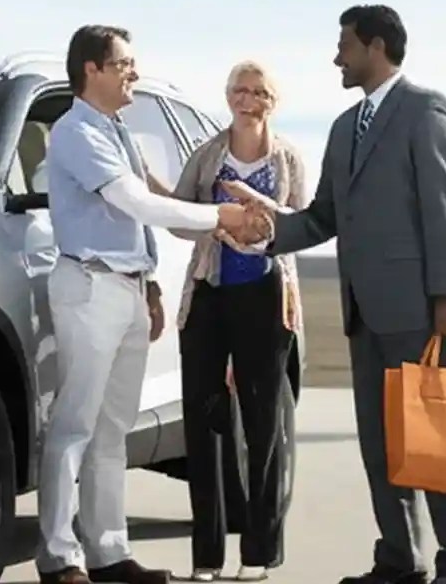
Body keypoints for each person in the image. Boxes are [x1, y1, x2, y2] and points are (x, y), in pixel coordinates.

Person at [227, 5, 446, 584]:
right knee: (381, 444)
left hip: (417, 307)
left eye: (345, 44)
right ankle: (399, 558)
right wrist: (268, 226)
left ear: (376, 46)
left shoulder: (426, 110)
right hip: (362, 311)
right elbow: (322, 218)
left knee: (437, 441)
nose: (337, 56)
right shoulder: (345, 129)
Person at [36, 24, 253, 584]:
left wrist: (150, 284)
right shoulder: (75, 132)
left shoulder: (117, 131)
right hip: (89, 287)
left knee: (112, 430)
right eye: (125, 64)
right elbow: (132, 201)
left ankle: (109, 554)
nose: (134, 72)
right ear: (93, 70)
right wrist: (219, 219)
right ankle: (60, 558)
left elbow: (153, 202)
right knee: (75, 425)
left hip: (127, 289)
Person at [163, 60, 307, 582]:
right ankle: (206, 557)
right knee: (204, 423)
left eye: (259, 92)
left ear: (274, 101)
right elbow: (179, 219)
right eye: (238, 91)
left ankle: (258, 554)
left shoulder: (288, 157)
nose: (247, 100)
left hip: (266, 297)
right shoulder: (207, 156)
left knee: (263, 424)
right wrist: (214, 227)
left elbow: (301, 225)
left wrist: (262, 223)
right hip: (209, 294)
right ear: (227, 97)